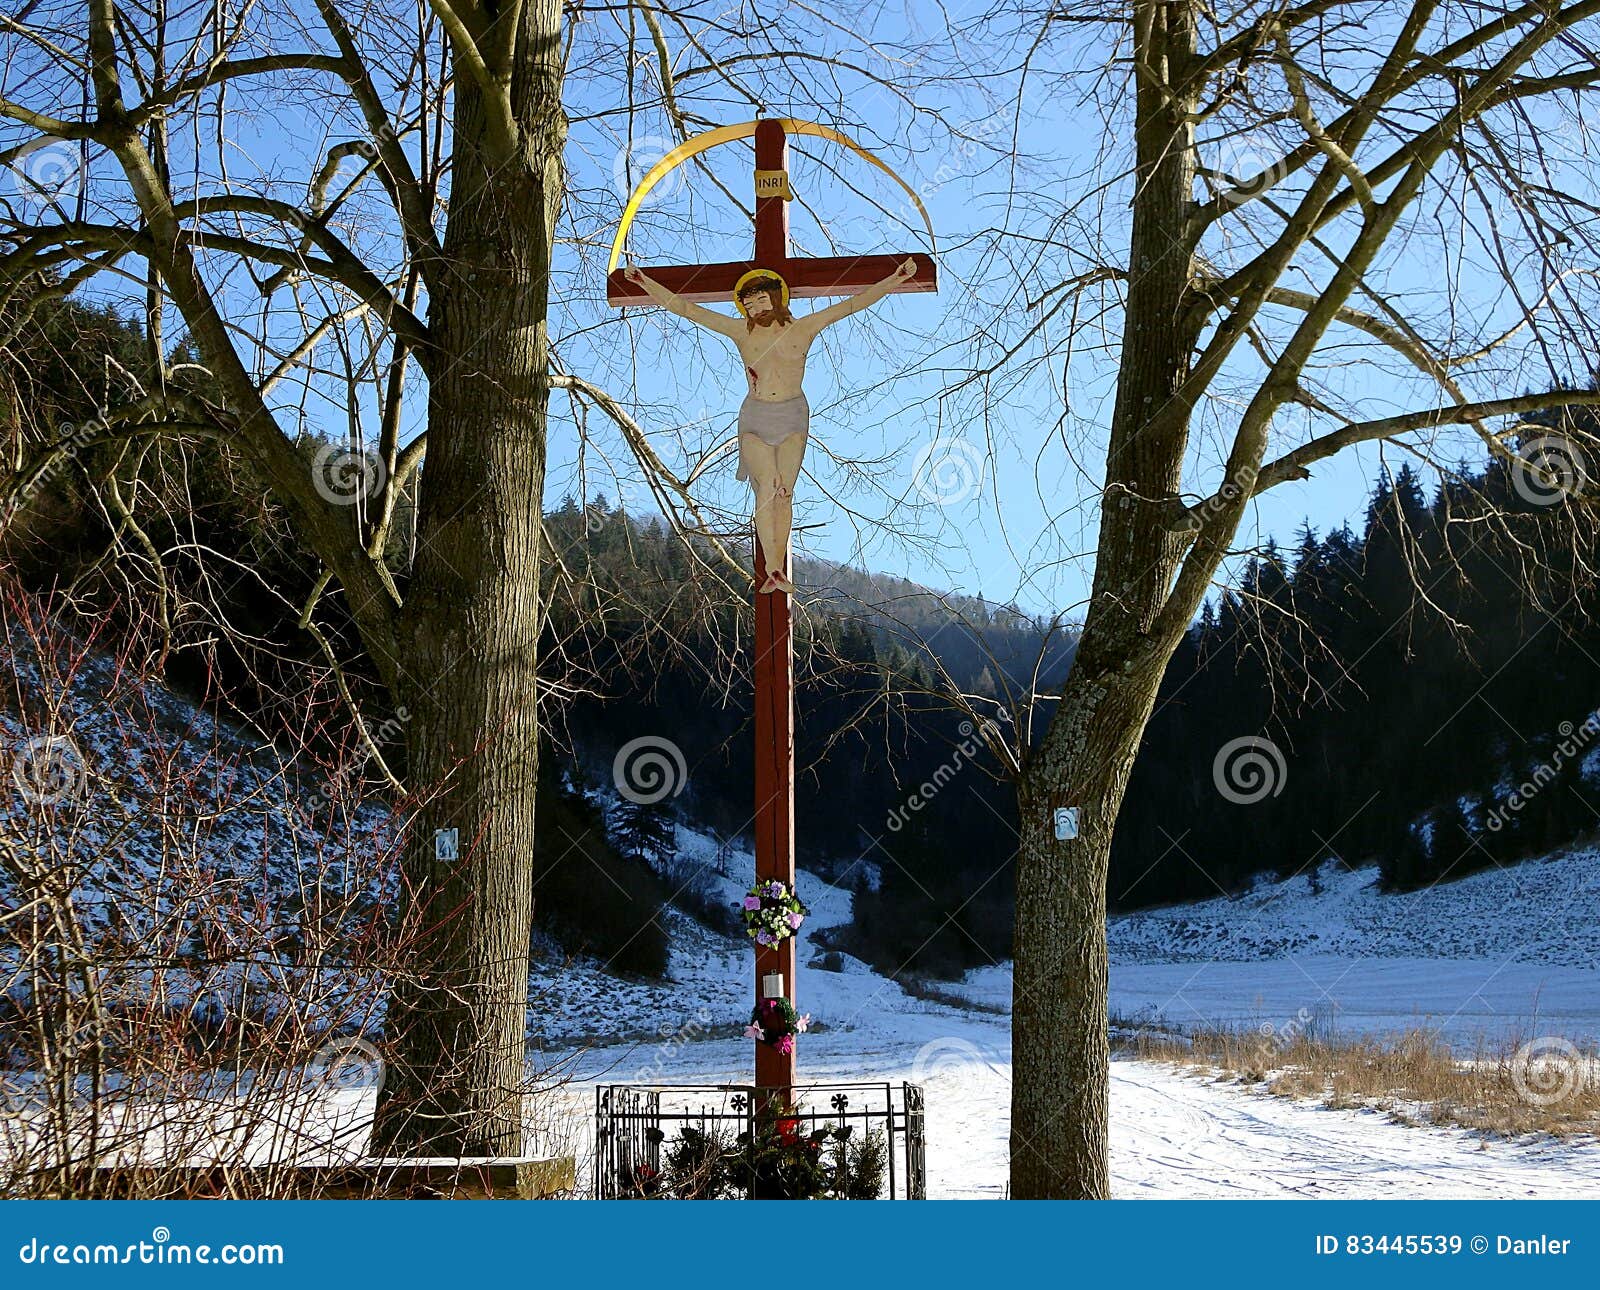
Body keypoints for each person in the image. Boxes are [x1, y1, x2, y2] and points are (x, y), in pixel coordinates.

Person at [623, 257, 917, 595]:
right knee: (766, 489)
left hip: (793, 415)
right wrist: (644, 282)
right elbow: (688, 310)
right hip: (756, 416)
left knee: (784, 493)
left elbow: (850, 305)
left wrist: (894, 279)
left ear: (777, 299)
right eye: (748, 305)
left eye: (761, 301)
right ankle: (771, 568)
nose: (755, 309)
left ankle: (778, 568)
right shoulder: (740, 331)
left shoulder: (803, 328)